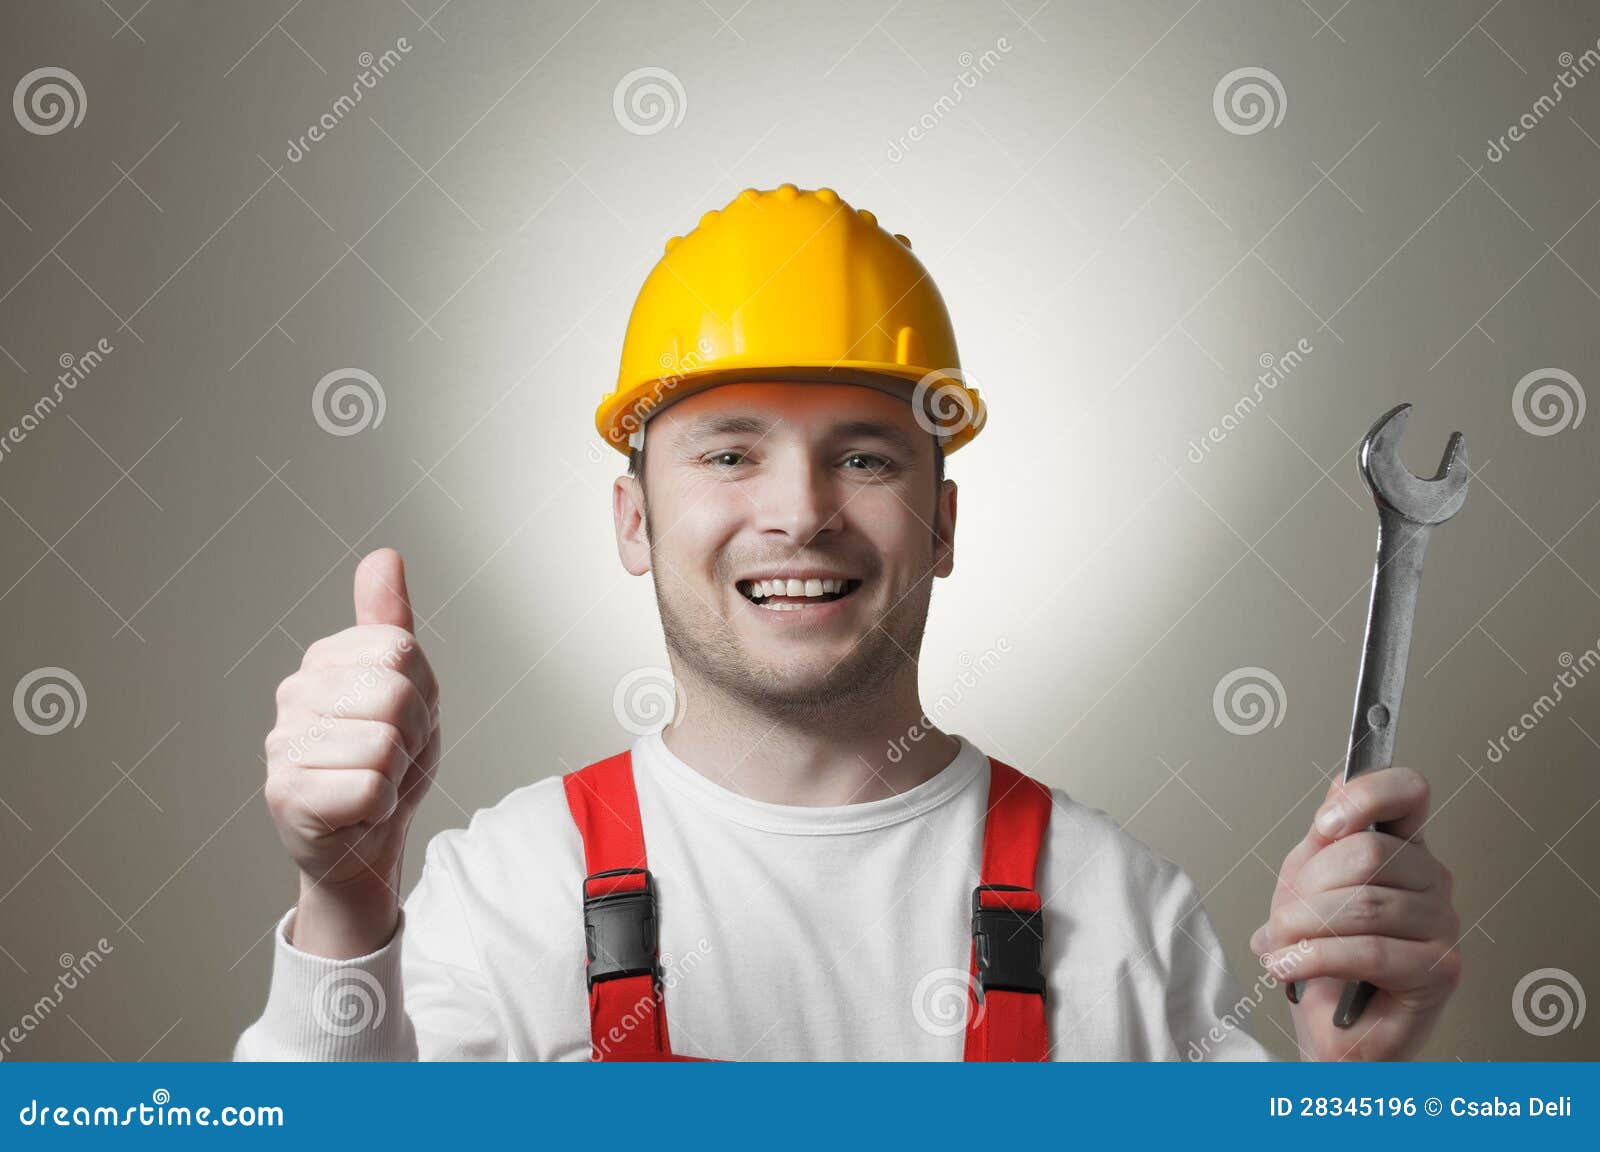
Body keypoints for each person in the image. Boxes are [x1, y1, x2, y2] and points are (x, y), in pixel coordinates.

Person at [235, 184, 1460, 1061]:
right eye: (728, 452)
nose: (799, 514)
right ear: (631, 523)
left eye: (865, 458)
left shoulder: (1119, 910)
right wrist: (344, 905)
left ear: (942, 523)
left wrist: (1356, 1094)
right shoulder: (504, 897)